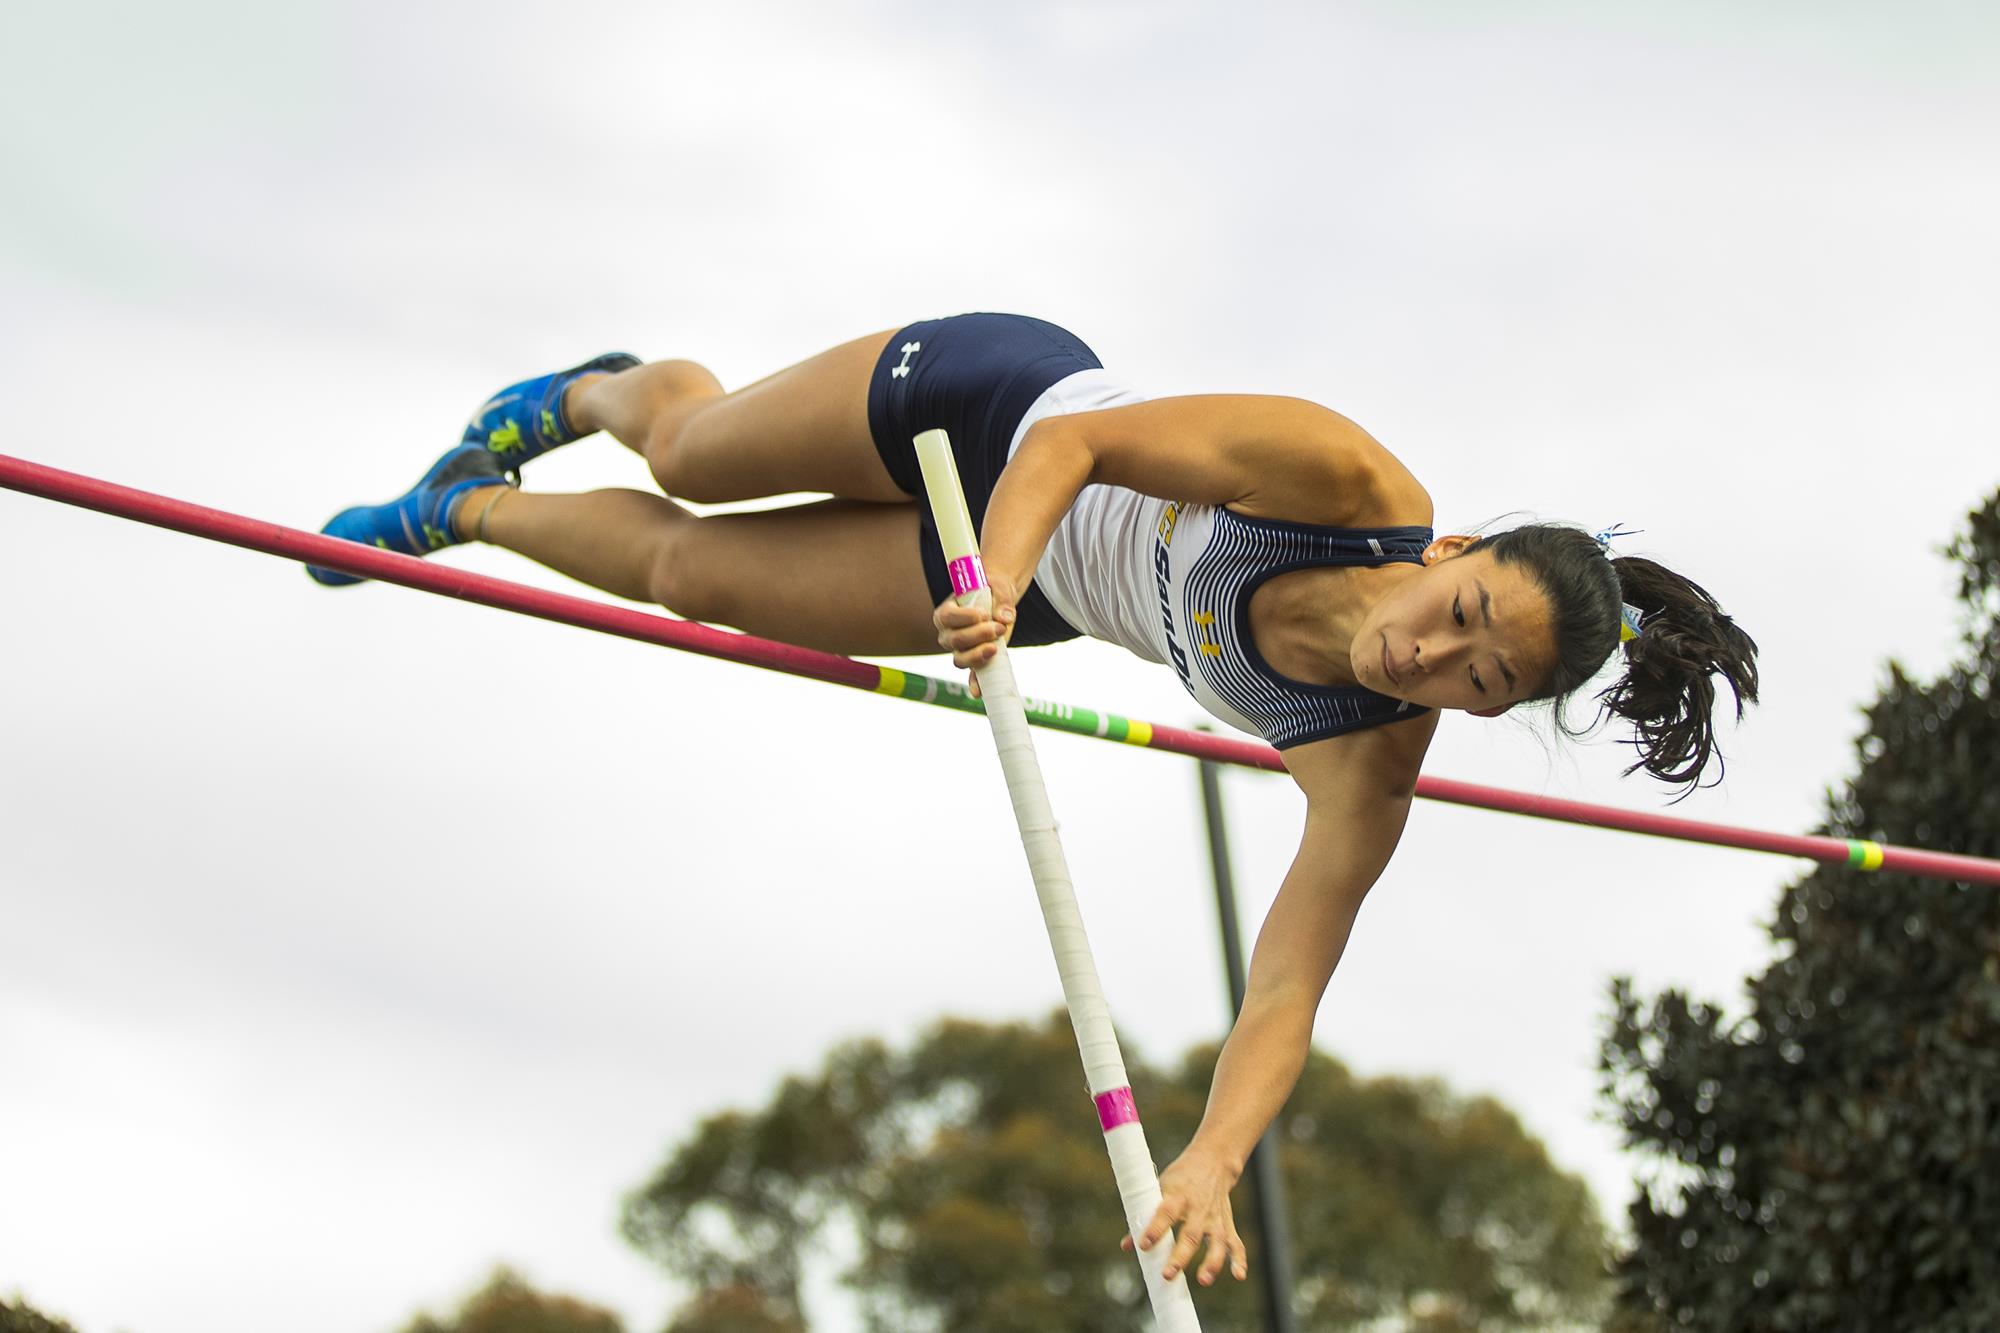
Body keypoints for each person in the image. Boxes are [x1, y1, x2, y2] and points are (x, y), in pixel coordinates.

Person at [309, 312, 1759, 1289]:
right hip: (997, 410)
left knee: (700, 581)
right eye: (1461, 610)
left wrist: (1216, 1153)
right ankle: (586, 393)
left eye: (1481, 682)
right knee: (691, 455)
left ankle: (460, 513)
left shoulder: (1367, 755)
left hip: (1040, 593)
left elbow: (1288, 987)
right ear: (1459, 544)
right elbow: (1079, 451)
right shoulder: (1343, 476)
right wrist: (988, 575)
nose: (1431, 656)